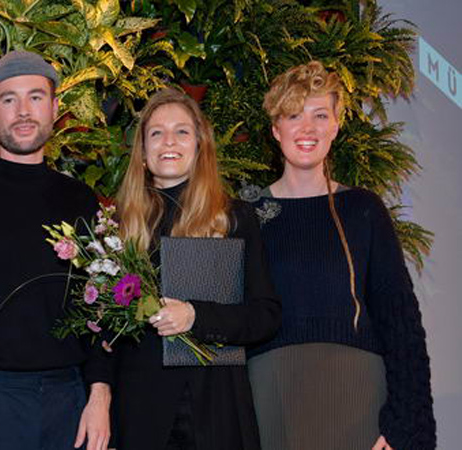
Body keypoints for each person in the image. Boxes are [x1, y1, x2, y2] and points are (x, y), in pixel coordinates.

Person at [246, 61, 436, 450]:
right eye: (294, 114)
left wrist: (403, 424)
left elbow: (400, 321)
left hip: (358, 400)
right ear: (275, 129)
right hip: (269, 401)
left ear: (336, 126)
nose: (308, 128)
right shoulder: (245, 215)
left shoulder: (363, 209)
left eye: (320, 115)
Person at [112, 88, 280, 450]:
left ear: (200, 145)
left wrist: (195, 316)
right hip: (141, 415)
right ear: (141, 151)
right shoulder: (118, 228)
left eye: (182, 131)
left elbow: (265, 316)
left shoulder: (233, 218)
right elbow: (101, 337)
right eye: (156, 132)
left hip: (216, 410)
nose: (168, 141)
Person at [0, 51, 112, 450]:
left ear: (56, 108)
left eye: (36, 97)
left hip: (68, 397)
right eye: (9, 100)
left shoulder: (81, 200)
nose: (23, 111)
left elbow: (100, 308)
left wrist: (100, 393)